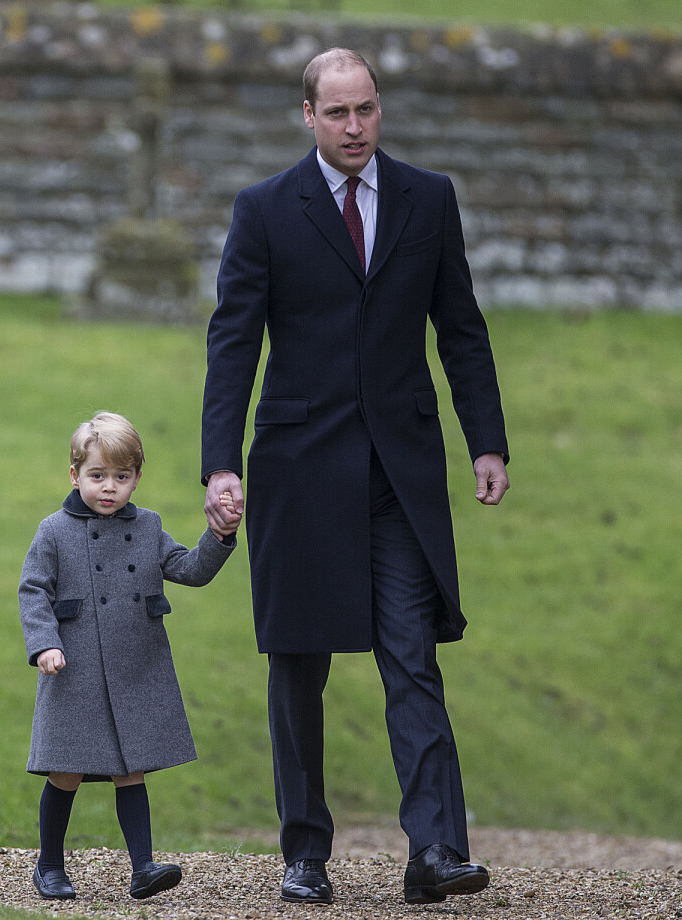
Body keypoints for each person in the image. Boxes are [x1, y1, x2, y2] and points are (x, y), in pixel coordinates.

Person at [201, 49, 510, 906]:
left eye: (366, 110)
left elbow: (462, 328)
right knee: (297, 666)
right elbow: (235, 341)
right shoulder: (264, 209)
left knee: (411, 658)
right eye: (336, 113)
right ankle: (305, 854)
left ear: (380, 110)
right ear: (307, 115)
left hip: (398, 477)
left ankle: (437, 850)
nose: (354, 127)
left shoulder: (428, 198)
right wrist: (219, 463)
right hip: (299, 472)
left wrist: (487, 440)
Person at [18, 412, 240, 902]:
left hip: (135, 668)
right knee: (65, 770)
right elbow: (33, 590)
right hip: (72, 671)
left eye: (122, 477)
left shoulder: (149, 527)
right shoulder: (53, 531)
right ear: (75, 476)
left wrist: (219, 537)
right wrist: (45, 644)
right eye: (98, 476)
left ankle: (143, 867)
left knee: (131, 767)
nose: (109, 488)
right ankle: (49, 866)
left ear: (137, 477)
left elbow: (189, 569)